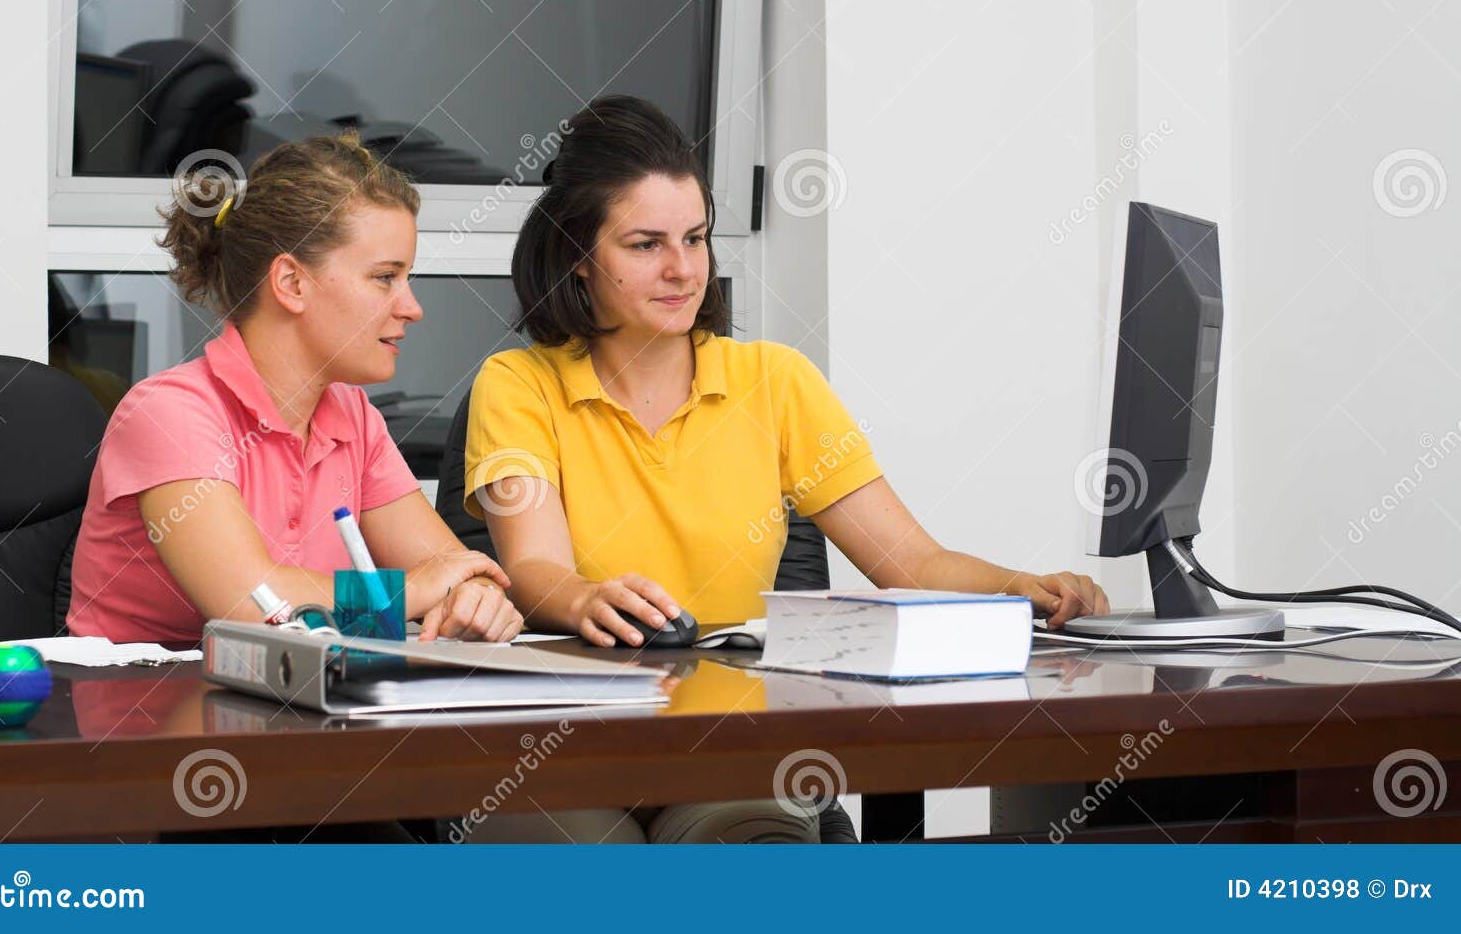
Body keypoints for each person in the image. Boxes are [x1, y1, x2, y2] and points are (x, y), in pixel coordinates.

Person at [460, 96, 1109, 842]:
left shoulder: (776, 380)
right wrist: (581, 600)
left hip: (733, 750)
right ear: (580, 254)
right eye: (645, 244)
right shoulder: (518, 383)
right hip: (575, 746)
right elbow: (536, 564)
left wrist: (1017, 586)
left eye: (696, 239)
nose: (682, 269)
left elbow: (911, 560)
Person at [67, 132, 522, 647]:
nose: (411, 307)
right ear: (291, 283)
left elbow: (451, 568)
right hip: (140, 713)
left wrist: (476, 594)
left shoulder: (354, 416)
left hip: (291, 709)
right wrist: (418, 588)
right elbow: (252, 604)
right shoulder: (168, 412)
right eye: (384, 277)